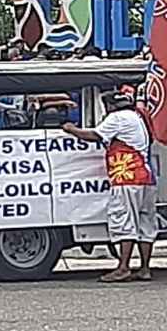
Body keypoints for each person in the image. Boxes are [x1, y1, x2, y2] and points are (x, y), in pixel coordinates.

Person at [61, 89, 157, 283]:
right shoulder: (136, 117)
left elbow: (94, 135)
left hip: (127, 176)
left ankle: (123, 268)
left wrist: (71, 129)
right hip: (145, 176)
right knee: (145, 223)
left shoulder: (117, 118)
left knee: (123, 220)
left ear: (111, 106)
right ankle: (145, 268)